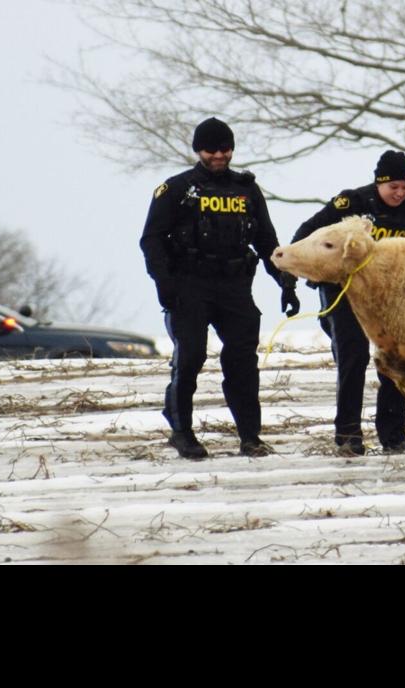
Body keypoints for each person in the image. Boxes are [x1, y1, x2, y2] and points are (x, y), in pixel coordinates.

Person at [140, 116, 296, 459]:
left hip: (234, 287)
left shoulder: (246, 189)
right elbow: (151, 240)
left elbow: (266, 240)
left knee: (242, 360)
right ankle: (181, 431)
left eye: (225, 148)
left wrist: (285, 281)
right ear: (198, 150)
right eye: (211, 149)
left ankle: (250, 436)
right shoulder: (177, 188)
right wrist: (163, 283)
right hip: (189, 286)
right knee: (191, 356)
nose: (219, 155)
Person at [290, 150, 405, 455]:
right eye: (393, 187)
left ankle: (394, 436)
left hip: (386, 298)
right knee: (353, 356)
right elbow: (306, 234)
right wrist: (296, 274)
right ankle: (348, 436)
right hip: (343, 290)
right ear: (379, 183)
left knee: (395, 360)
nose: (400, 194)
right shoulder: (352, 202)